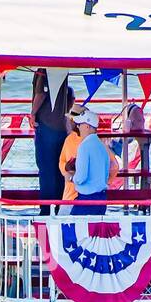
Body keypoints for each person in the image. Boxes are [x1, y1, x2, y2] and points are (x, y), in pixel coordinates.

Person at [32, 69, 75, 211]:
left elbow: (41, 92)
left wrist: (33, 113)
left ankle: (46, 212)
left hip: (47, 124)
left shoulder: (44, 69)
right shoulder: (61, 66)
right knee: (59, 171)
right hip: (61, 125)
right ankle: (59, 209)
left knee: (47, 172)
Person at [70, 107, 111, 215]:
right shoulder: (102, 146)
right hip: (102, 198)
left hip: (87, 199)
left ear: (87, 126)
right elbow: (107, 173)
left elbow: (81, 178)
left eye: (80, 125)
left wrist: (71, 178)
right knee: (96, 231)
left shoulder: (84, 146)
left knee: (71, 229)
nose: (78, 127)